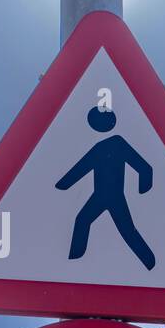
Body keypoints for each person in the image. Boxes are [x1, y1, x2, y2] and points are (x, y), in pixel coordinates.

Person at [55, 108, 156, 269]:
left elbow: (144, 167)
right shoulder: (99, 148)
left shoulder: (117, 143)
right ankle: (73, 262)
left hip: (115, 196)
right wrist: (62, 184)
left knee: (127, 231)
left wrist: (144, 186)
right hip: (99, 196)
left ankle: (150, 263)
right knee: (82, 220)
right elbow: (81, 168)